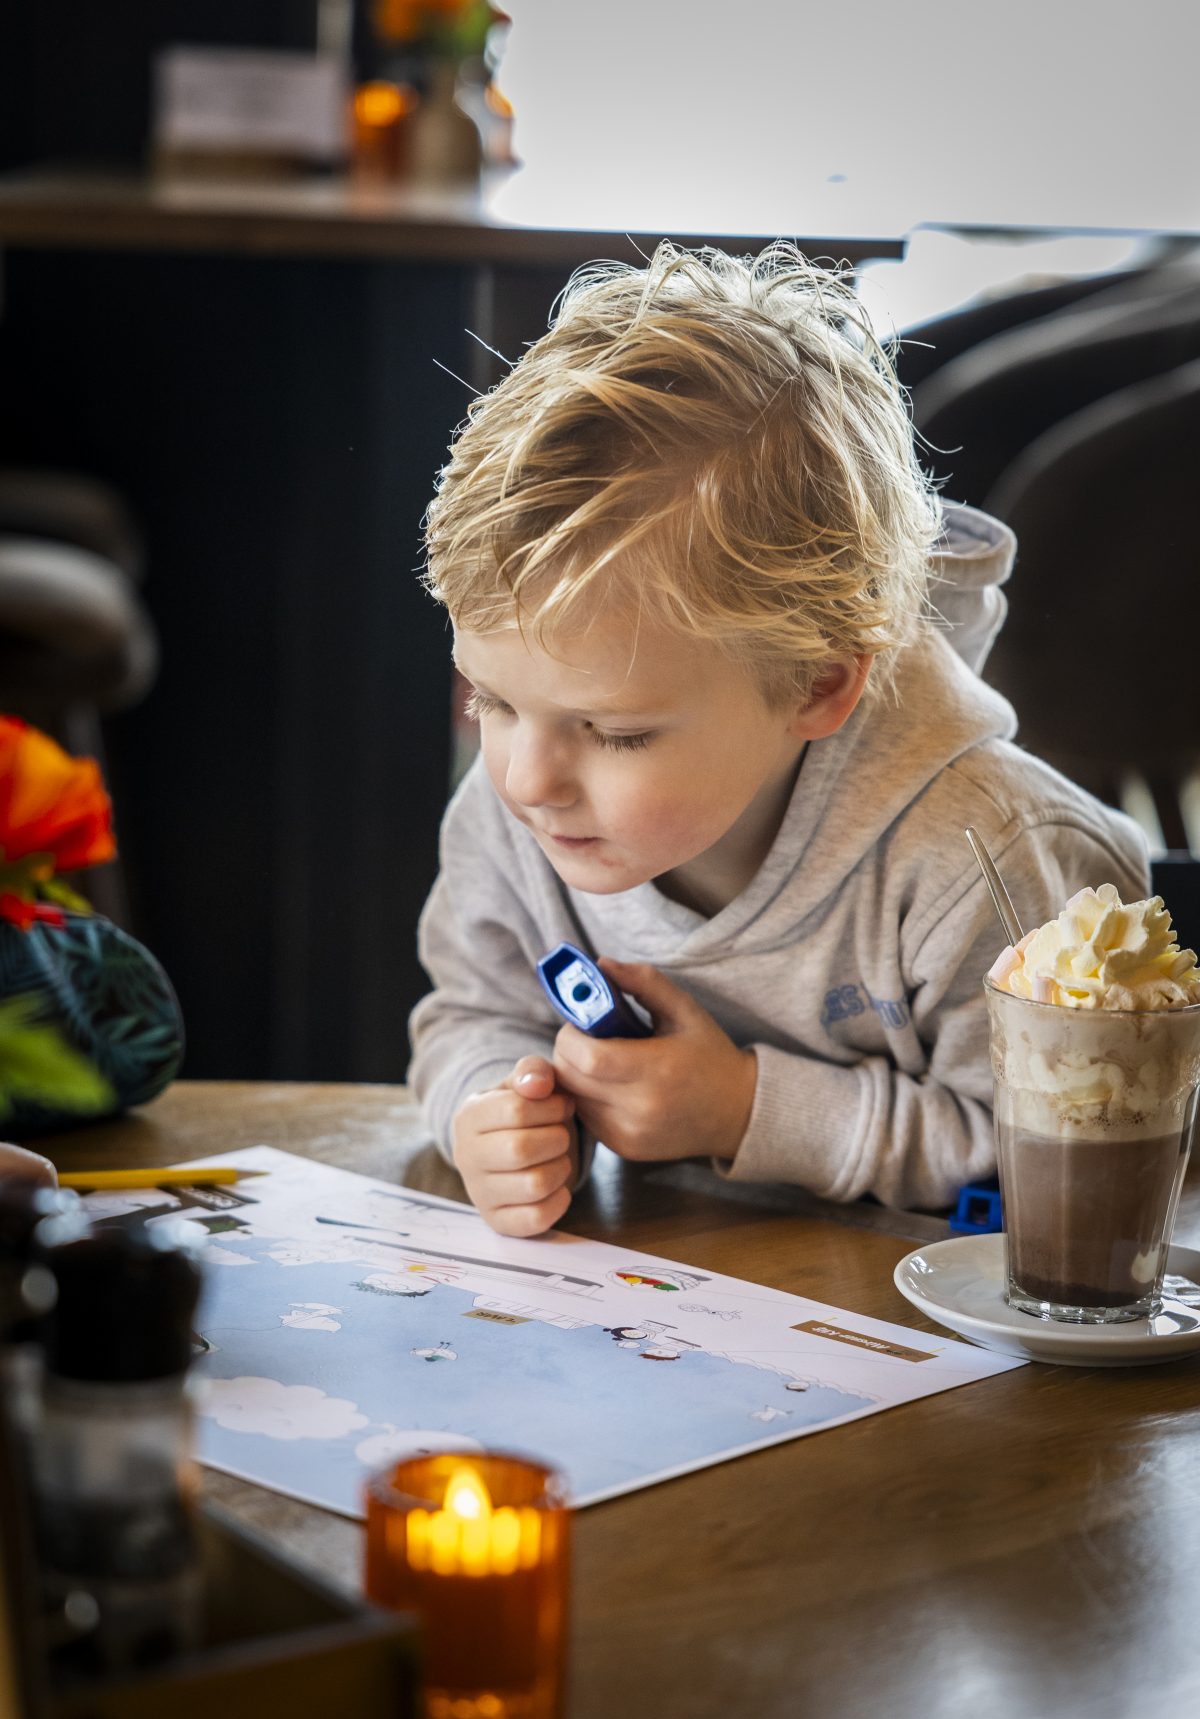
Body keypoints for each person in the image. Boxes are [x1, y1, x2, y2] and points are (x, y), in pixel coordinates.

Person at [408, 242, 1147, 1238]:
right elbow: (468, 1013)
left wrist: (748, 1107)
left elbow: (1082, 1162)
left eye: (616, 735)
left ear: (819, 684)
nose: (526, 778)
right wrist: (487, 1108)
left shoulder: (991, 864)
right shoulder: (515, 813)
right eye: (492, 702)